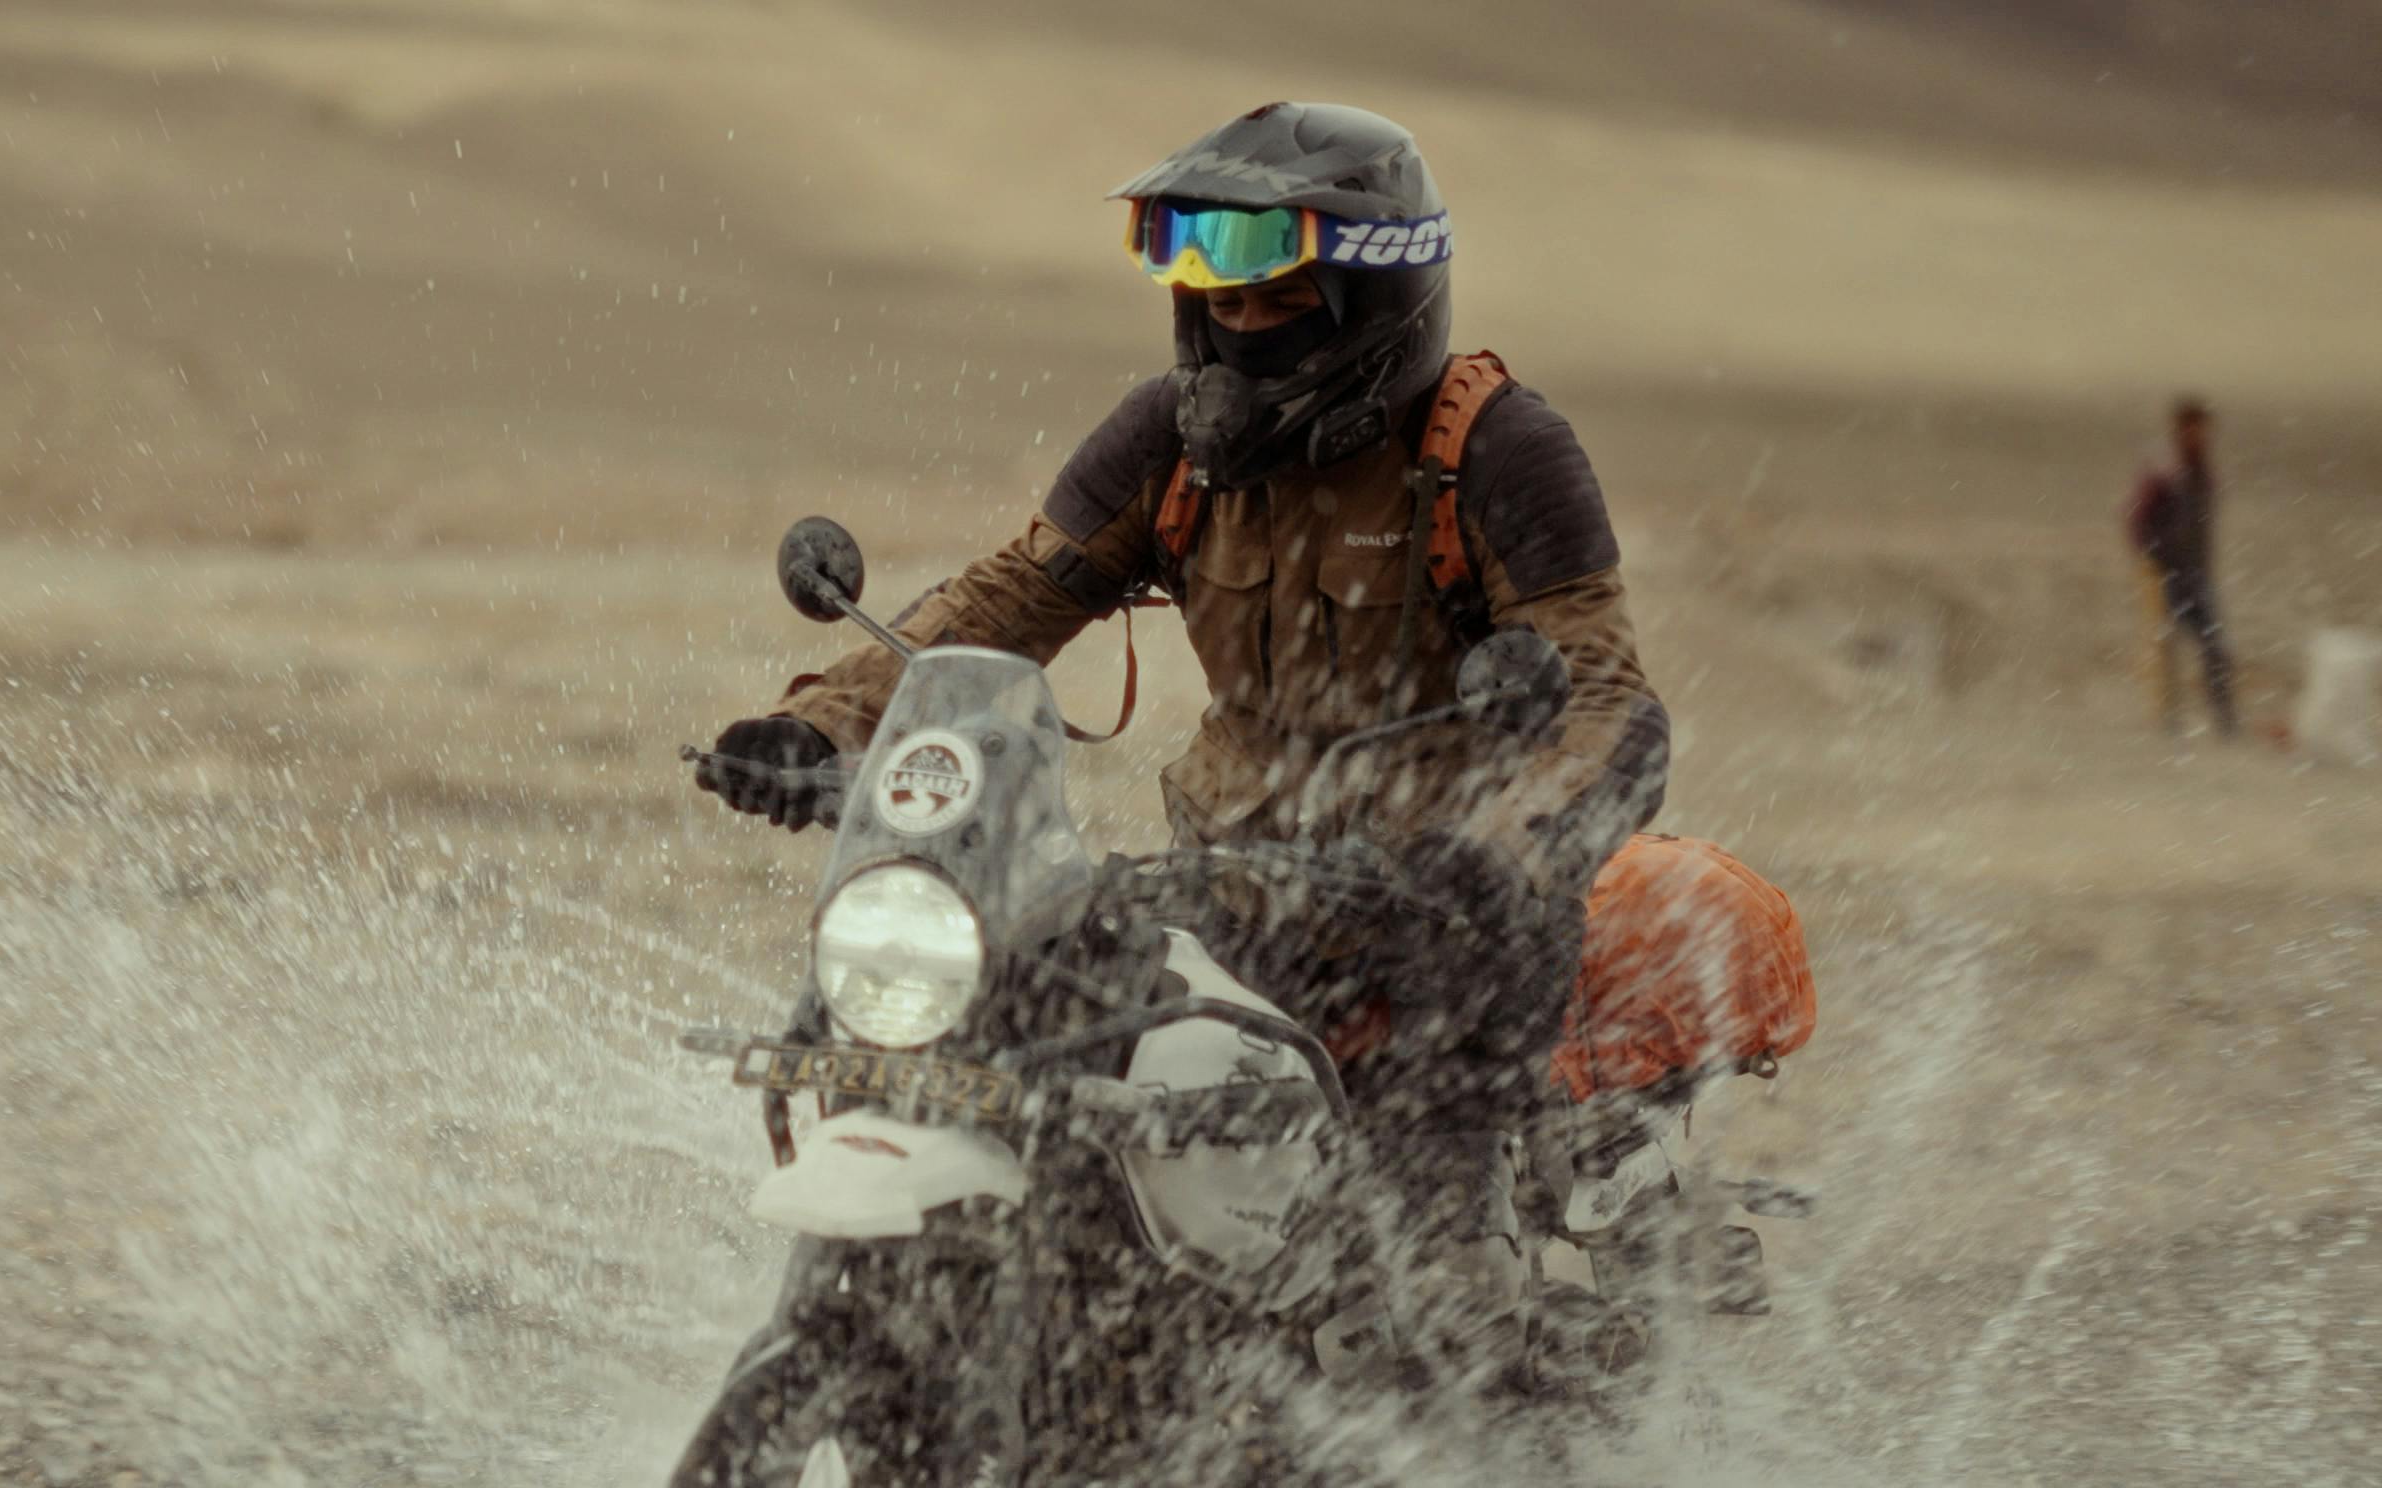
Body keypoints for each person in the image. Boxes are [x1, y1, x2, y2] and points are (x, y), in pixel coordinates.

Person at [694, 102, 1671, 1356]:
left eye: (1276, 296)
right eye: (1217, 295)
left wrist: (1503, 850)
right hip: (1233, 886)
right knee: (1030, 1039)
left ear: (1374, 298)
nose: (1240, 322)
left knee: (1434, 1286)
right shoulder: (1170, 440)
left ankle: (1468, 1353)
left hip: (1443, 918)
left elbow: (1604, 701)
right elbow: (1005, 601)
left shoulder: (1497, 451)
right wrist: (822, 729)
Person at [2126, 396, 2241, 738]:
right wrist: (2155, 557)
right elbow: (2138, 521)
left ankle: (2223, 718)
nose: (2198, 435)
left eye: (2202, 429)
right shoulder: (2166, 472)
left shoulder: (2203, 471)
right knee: (2166, 650)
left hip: (2196, 572)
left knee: (2213, 645)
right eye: (2192, 429)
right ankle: (2168, 721)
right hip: (2168, 573)